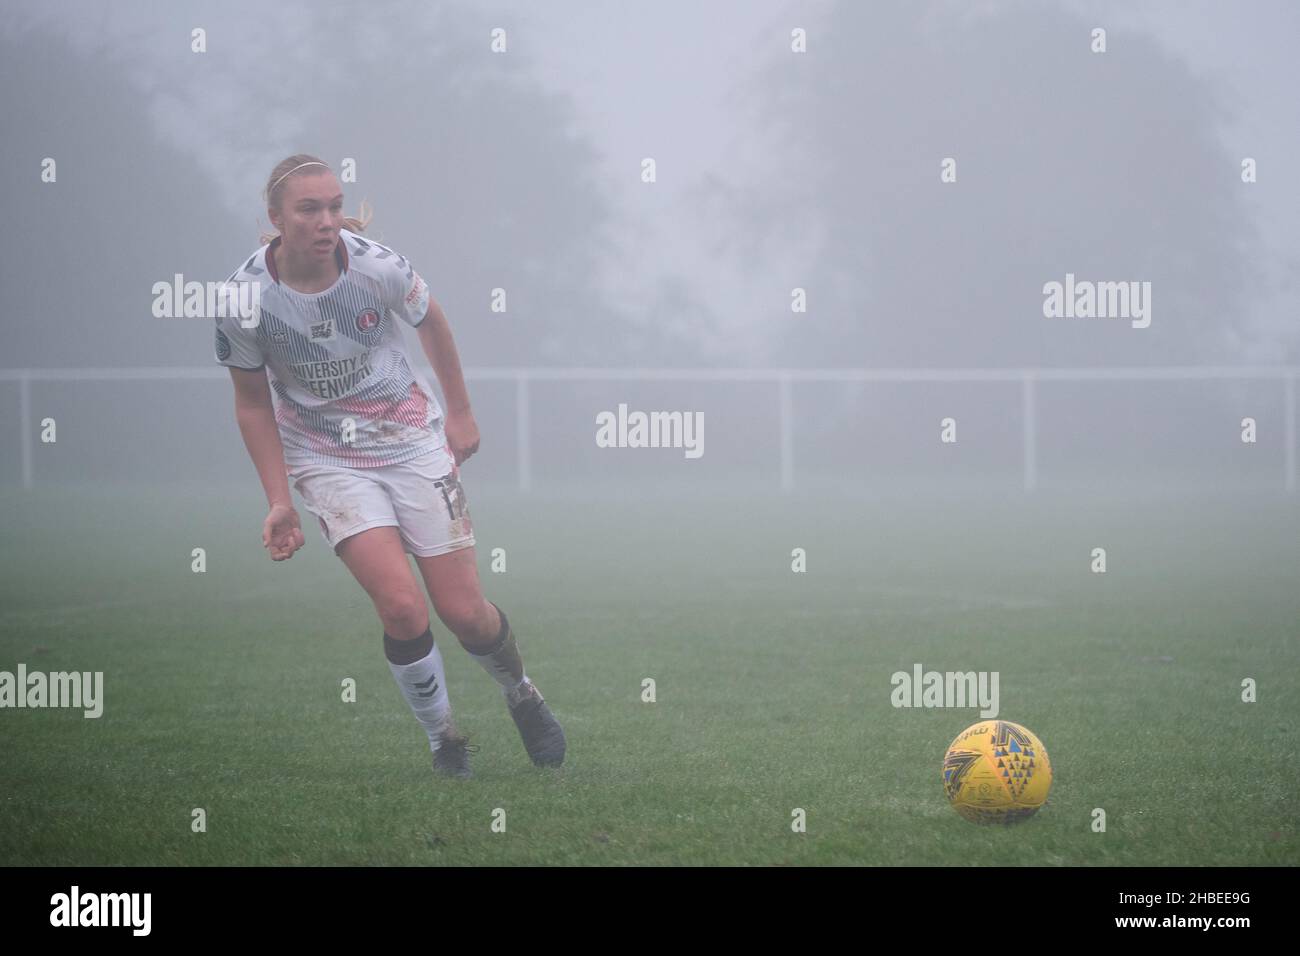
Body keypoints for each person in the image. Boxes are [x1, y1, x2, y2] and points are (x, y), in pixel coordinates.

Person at [213, 154, 564, 779]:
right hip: (327, 460)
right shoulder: (244, 299)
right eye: (309, 209)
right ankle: (445, 741)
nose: (328, 221)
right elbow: (251, 404)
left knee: (465, 613)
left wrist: (459, 412)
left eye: (334, 206)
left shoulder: (376, 265)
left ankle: (522, 694)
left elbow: (433, 321)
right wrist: (279, 499)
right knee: (402, 608)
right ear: (274, 218)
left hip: (412, 446)